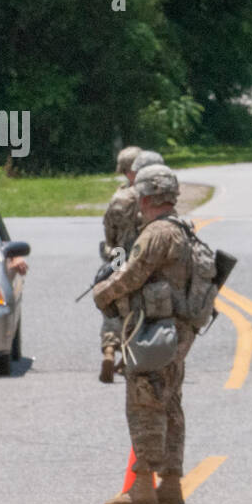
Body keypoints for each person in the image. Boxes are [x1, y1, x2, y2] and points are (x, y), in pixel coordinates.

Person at [93, 164, 201, 504]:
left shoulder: (157, 233)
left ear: (147, 197)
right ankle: (170, 485)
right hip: (178, 332)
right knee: (169, 404)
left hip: (156, 331)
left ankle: (142, 486)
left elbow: (133, 273)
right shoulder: (185, 230)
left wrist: (103, 293)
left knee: (144, 401)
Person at [98, 146, 143, 382]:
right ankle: (128, 358)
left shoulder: (118, 198)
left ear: (126, 171)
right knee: (140, 312)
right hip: (146, 263)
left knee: (112, 308)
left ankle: (109, 349)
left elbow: (109, 236)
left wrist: (113, 257)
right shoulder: (151, 196)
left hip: (118, 261)